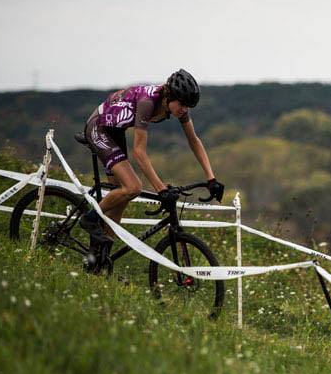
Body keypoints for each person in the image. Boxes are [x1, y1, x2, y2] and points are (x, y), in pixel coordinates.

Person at [78, 69, 224, 253]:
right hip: (99, 128)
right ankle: (89, 218)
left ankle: (100, 257)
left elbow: (194, 140)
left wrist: (211, 179)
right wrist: (161, 189)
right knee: (133, 188)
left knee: (122, 197)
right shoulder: (148, 103)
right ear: (170, 96)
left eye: (189, 106)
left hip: (115, 130)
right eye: (183, 105)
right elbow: (139, 152)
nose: (185, 110)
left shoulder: (177, 106)